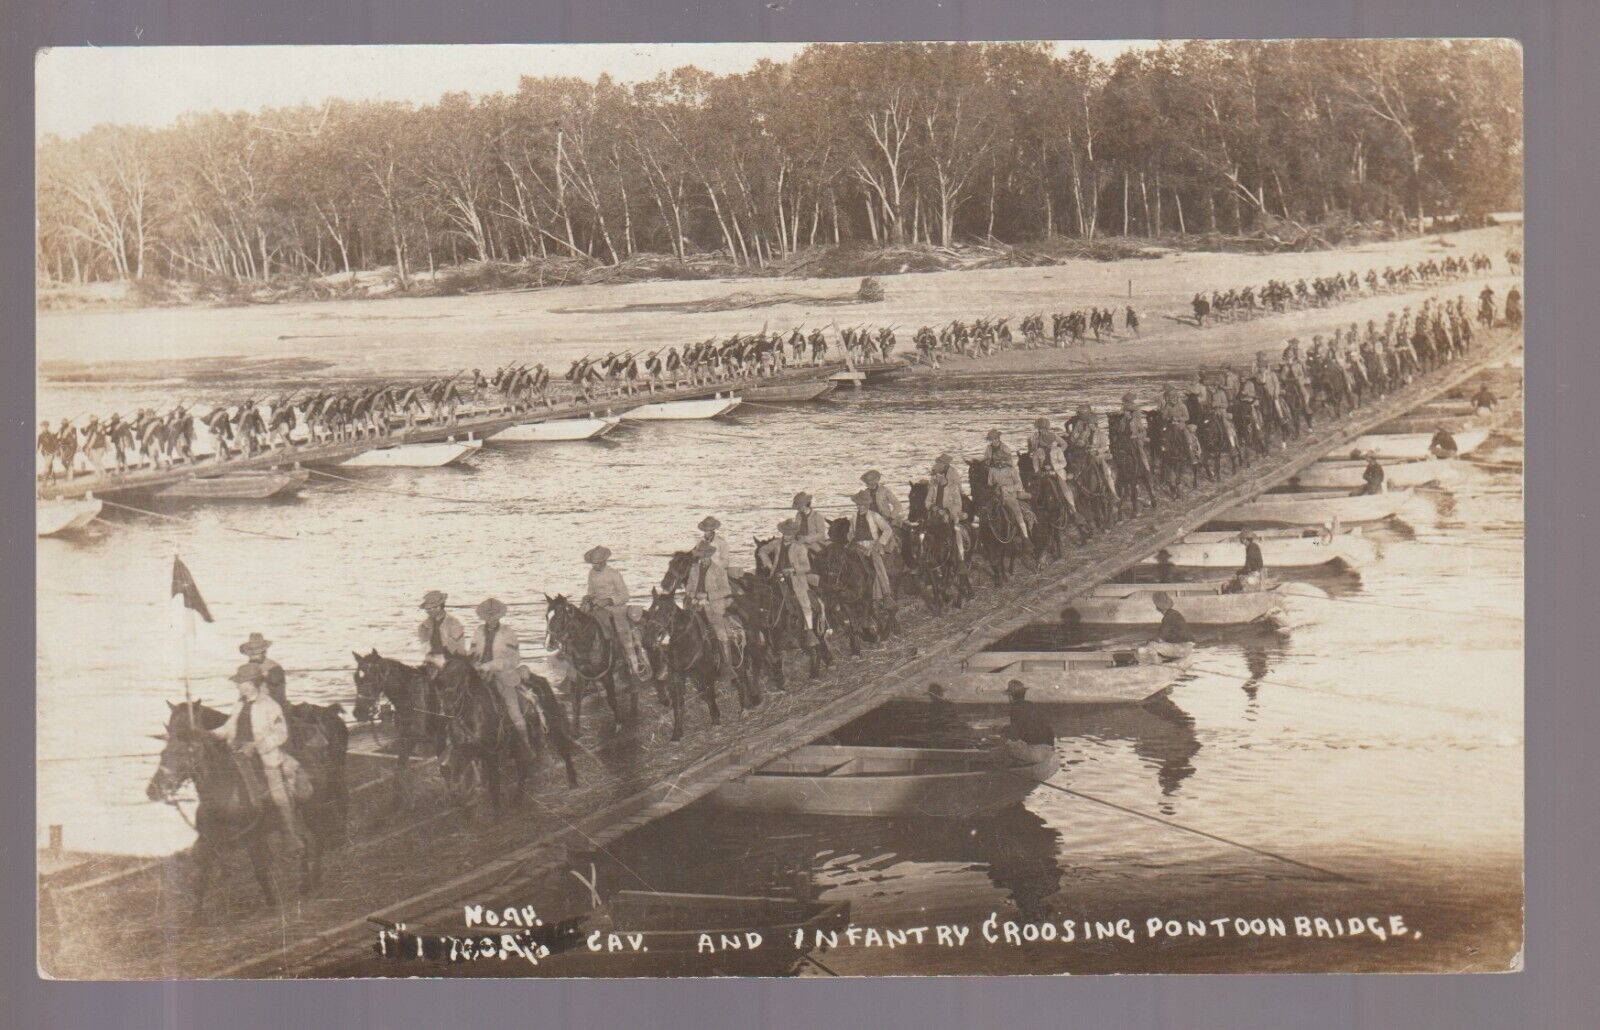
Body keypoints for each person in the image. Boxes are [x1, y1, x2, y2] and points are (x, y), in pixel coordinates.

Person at [210, 664, 305, 851]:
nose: (238, 687)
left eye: (241, 683)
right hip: (238, 754)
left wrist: (256, 745)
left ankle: (292, 836)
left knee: (279, 796)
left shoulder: (270, 705)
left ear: (253, 684)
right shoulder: (239, 704)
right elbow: (228, 729)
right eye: (238, 683)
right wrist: (207, 734)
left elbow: (281, 734)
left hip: (266, 757)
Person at [470, 597, 534, 760]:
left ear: (499, 616)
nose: (491, 618)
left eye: (494, 615)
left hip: (503, 675)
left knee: (513, 710)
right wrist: (474, 664)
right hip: (480, 675)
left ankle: (526, 746)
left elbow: (514, 659)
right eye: (487, 615)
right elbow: (472, 653)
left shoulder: (508, 632)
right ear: (483, 617)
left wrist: (492, 665)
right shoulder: (478, 631)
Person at [583, 546, 650, 679]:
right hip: (598, 607)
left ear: (603, 561)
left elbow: (625, 596)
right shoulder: (592, 573)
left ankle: (635, 664)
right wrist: (588, 597)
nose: (594, 566)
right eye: (592, 563)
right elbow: (591, 591)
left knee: (622, 633)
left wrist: (608, 601)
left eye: (596, 563)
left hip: (616, 608)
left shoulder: (614, 574)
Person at [685, 539, 736, 677]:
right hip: (695, 606)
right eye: (701, 554)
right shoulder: (694, 569)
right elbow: (688, 588)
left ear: (710, 555)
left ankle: (727, 666)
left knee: (721, 634)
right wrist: (693, 595)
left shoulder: (718, 570)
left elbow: (726, 590)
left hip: (714, 607)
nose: (704, 557)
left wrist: (707, 596)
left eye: (706, 554)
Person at [982, 430, 1031, 541]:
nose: (1000, 462)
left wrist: (1007, 488)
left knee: (1016, 511)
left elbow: (1019, 484)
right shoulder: (992, 469)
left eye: (1001, 460)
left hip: (1009, 494)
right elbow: (989, 483)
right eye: (991, 439)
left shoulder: (1010, 469)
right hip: (996, 494)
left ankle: (1025, 536)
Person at [849, 489, 895, 601]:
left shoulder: (875, 516)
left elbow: (887, 529)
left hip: (872, 545)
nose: (860, 507)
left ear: (867, 505)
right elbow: (851, 532)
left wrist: (880, 542)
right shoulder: (853, 517)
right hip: (858, 546)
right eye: (858, 504)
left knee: (877, 566)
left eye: (862, 505)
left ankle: (885, 594)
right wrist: (850, 537)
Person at [773, 518, 818, 634]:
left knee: (805, 603)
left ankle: (810, 630)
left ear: (793, 534)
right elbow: (762, 550)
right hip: (777, 576)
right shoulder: (777, 544)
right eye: (785, 533)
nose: (787, 536)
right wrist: (769, 566)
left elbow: (807, 567)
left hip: (795, 579)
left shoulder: (800, 548)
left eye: (789, 534)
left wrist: (792, 570)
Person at [999, 680, 1056, 764]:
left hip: (1036, 754)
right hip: (1050, 751)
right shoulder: (1034, 706)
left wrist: (1003, 730)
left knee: (1005, 746)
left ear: (1010, 696)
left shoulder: (1015, 708)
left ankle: (1012, 769)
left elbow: (1014, 736)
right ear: (1023, 694)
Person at [417, 590, 470, 674]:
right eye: (427, 609)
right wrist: (431, 658)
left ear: (439, 607)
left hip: (452, 661)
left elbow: (459, 650)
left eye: (430, 608)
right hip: (432, 660)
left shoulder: (454, 623)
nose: (428, 611)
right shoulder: (423, 626)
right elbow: (425, 648)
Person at [929, 453, 969, 561]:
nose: (939, 465)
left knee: (956, 530)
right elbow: (929, 496)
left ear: (946, 464)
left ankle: (961, 559)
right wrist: (933, 507)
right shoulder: (934, 476)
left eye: (941, 463)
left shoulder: (953, 473)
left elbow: (958, 490)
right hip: (937, 510)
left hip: (951, 507)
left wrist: (947, 510)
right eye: (939, 462)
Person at [239, 632, 288, 707]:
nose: (252, 657)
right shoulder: (247, 668)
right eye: (251, 654)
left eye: (256, 653)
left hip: (272, 708)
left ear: (264, 652)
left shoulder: (274, 668)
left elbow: (278, 697)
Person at [1149, 592, 1194, 659]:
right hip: (1188, 648)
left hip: (1181, 649)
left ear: (1158, 608)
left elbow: (1161, 638)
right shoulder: (1175, 613)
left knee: (1151, 645)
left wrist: (1150, 640)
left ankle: (1156, 663)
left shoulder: (1168, 617)